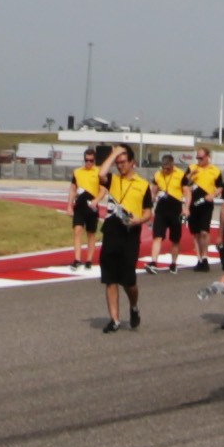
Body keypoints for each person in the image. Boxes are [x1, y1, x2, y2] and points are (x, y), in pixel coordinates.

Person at [90, 142, 145, 332]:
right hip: (112, 231)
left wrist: (138, 220)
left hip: (130, 233)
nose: (120, 165)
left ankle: (134, 307)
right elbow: (100, 174)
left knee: (129, 282)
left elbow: (149, 213)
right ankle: (114, 319)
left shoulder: (142, 185)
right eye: (118, 162)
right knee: (110, 278)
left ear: (132, 163)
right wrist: (113, 154)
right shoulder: (112, 179)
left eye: (123, 162)